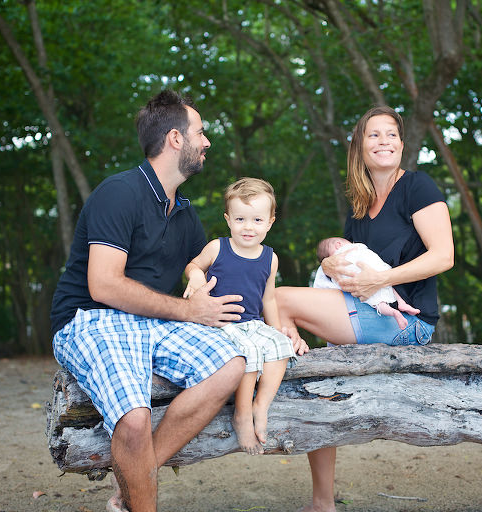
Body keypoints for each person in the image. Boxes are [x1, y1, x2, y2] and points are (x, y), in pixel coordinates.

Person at [49, 90, 246, 512]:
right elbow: (104, 285)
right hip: (92, 318)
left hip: (154, 323)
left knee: (231, 365)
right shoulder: (119, 192)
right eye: (200, 132)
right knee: (135, 418)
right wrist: (188, 310)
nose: (206, 142)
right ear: (175, 139)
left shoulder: (188, 216)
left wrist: (277, 319)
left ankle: (138, 475)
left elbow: (215, 277)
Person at [275, 105, 454, 512]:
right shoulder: (360, 207)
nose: (384, 141)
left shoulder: (418, 187)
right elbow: (347, 263)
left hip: (408, 323)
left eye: (392, 134)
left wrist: (382, 280)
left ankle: (283, 361)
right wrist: (327, 263)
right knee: (317, 388)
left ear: (402, 145)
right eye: (374, 135)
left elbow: (444, 256)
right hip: (363, 315)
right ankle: (323, 503)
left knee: (281, 298)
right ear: (359, 147)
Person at [184, 177, 296, 456]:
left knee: (281, 346)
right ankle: (242, 414)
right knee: (249, 353)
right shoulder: (218, 247)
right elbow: (193, 265)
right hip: (219, 324)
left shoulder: (270, 257)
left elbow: (268, 297)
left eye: (257, 220)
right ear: (228, 219)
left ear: (270, 222)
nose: (248, 227)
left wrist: (278, 328)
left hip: (251, 322)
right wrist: (197, 275)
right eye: (241, 219)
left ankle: (261, 405)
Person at [313, 236, 420, 329]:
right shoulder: (352, 249)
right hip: (378, 270)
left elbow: (324, 285)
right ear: (338, 244)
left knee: (378, 303)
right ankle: (402, 303)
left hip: (360, 282)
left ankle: (394, 312)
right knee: (388, 283)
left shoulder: (334, 268)